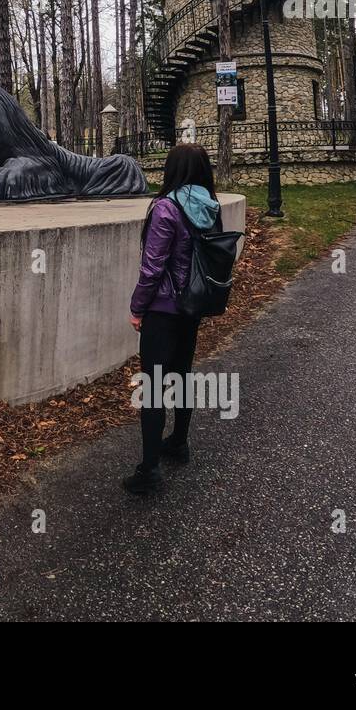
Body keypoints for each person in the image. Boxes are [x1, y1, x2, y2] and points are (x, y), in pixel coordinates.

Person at [124, 143, 222, 495]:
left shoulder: (166, 208)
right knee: (182, 374)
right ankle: (178, 442)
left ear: (172, 170)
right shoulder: (211, 207)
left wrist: (138, 308)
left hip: (163, 309)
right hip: (193, 306)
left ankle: (149, 471)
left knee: (152, 386)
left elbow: (152, 268)